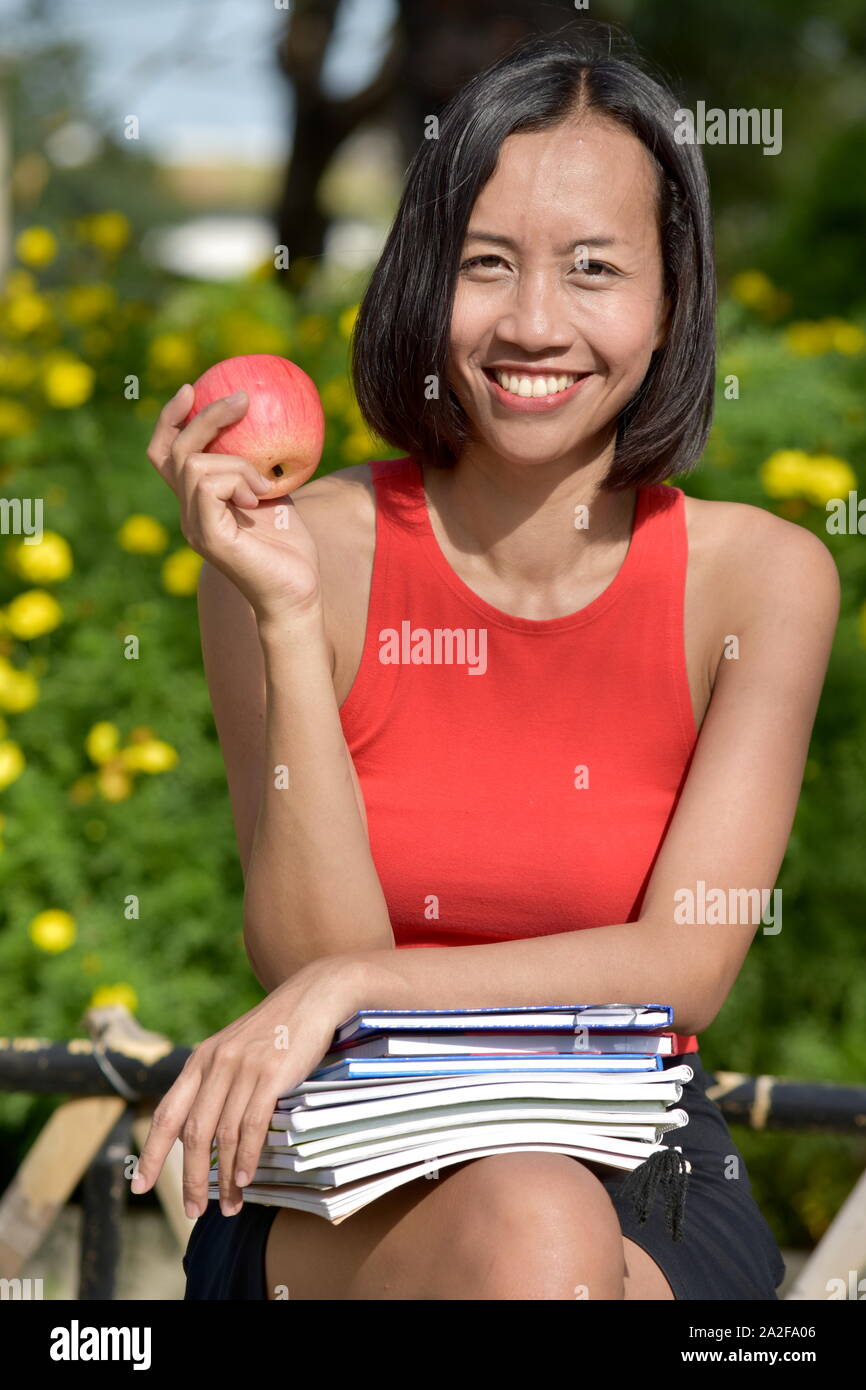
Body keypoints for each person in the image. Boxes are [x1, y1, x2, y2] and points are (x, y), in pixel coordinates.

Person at [135, 30, 839, 1299]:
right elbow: (308, 957)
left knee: (547, 1228)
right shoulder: (292, 552)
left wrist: (366, 979)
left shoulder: (761, 578)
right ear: (422, 278)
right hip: (351, 1169)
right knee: (529, 1232)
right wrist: (289, 625)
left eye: (591, 269)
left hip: (635, 1154)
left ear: (671, 294)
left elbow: (687, 961)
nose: (531, 324)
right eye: (485, 265)